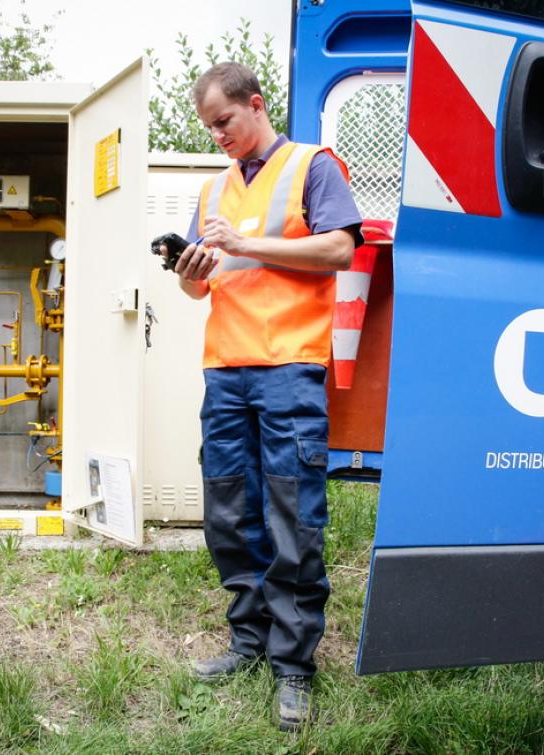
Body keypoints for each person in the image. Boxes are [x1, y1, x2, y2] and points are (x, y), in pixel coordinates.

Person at [165, 61, 363, 732]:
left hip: (287, 368)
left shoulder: (313, 165)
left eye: (223, 120)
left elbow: (339, 250)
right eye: (208, 127)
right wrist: (189, 272)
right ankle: (247, 643)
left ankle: (293, 667)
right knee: (228, 512)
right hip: (225, 369)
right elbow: (200, 285)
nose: (217, 135)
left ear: (255, 104)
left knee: (292, 515)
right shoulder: (212, 188)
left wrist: (246, 241)